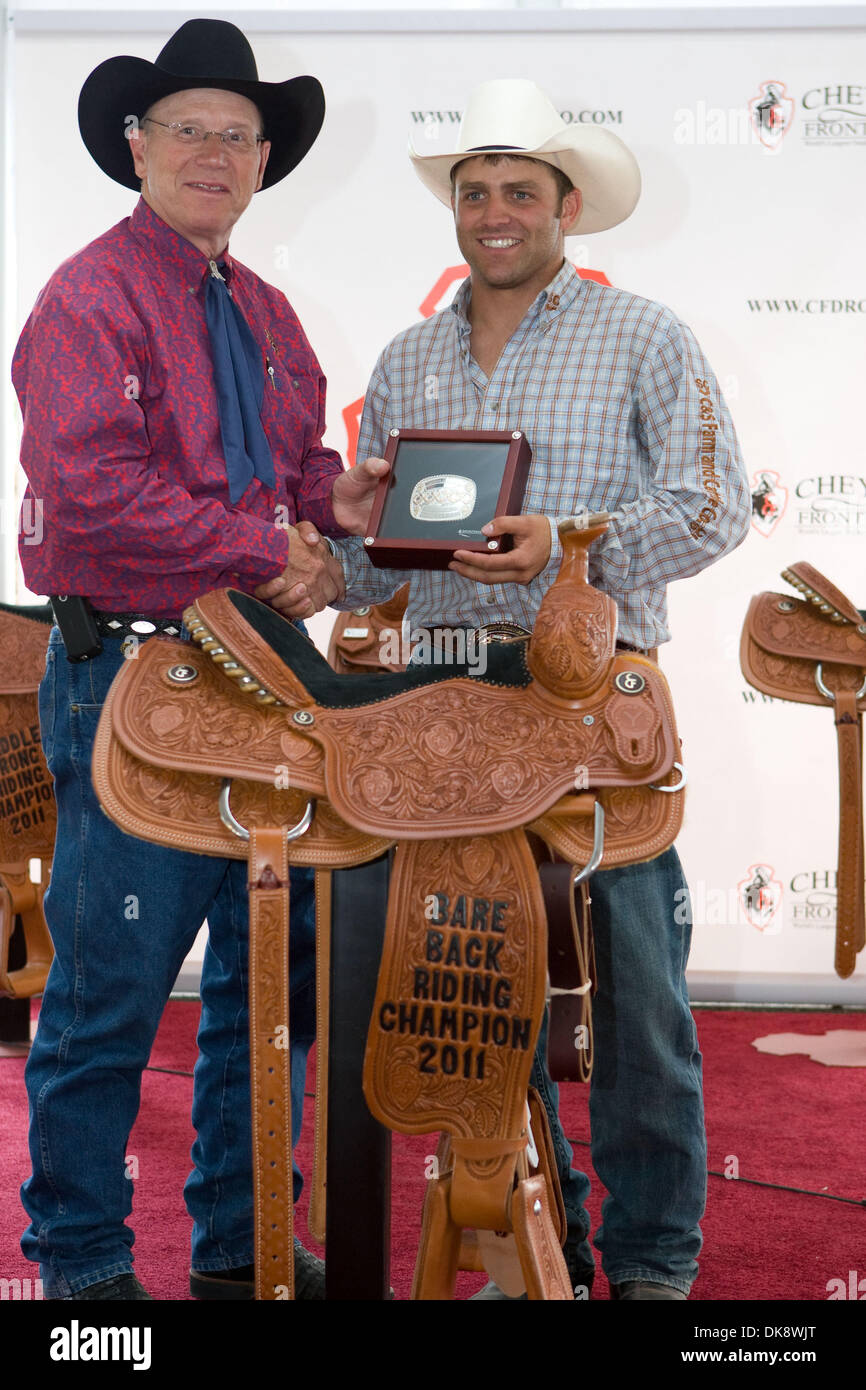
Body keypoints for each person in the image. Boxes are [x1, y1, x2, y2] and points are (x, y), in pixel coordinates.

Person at [327, 78, 751, 1300]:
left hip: (585, 697)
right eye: (474, 193)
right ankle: (539, 1223)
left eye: (520, 190)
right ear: (453, 212)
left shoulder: (646, 335)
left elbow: (713, 506)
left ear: (567, 206)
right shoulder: (407, 357)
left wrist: (566, 544)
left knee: (634, 998)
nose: (495, 211)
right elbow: (380, 558)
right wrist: (338, 537)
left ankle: (655, 1265)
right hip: (440, 696)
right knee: (477, 981)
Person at [13, 18, 385, 1301]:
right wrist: (262, 550)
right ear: (135, 146)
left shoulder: (270, 313)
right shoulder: (87, 295)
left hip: (261, 678)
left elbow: (296, 478)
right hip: (133, 677)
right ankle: (80, 1271)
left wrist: (333, 520)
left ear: (266, 159)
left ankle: (240, 1246)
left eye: (238, 134)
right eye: (187, 130)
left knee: (259, 978)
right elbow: (90, 492)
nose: (214, 153)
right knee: (111, 993)